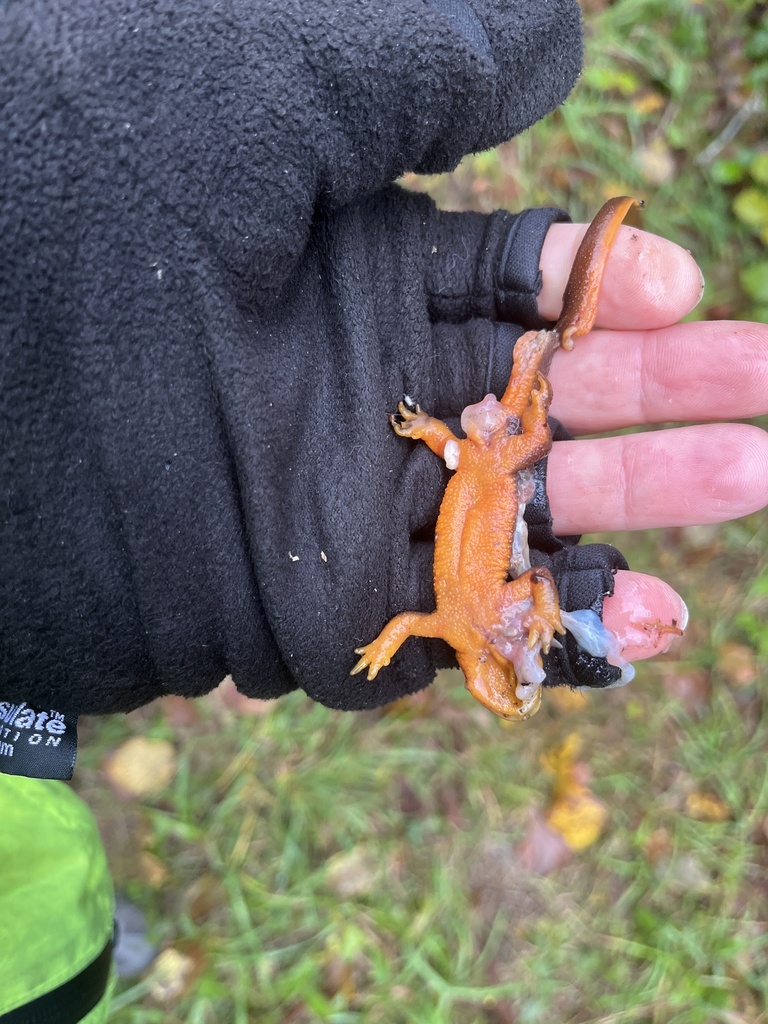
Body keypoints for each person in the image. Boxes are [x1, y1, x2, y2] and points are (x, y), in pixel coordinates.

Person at [1, 0, 767, 1016]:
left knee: (531, 385)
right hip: (487, 473)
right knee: (528, 390)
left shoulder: (460, 621)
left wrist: (402, 603)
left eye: (502, 688)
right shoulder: (480, 616)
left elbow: (411, 617)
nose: (498, 692)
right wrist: (442, 450)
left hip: (483, 472)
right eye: (498, 688)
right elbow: (456, 586)